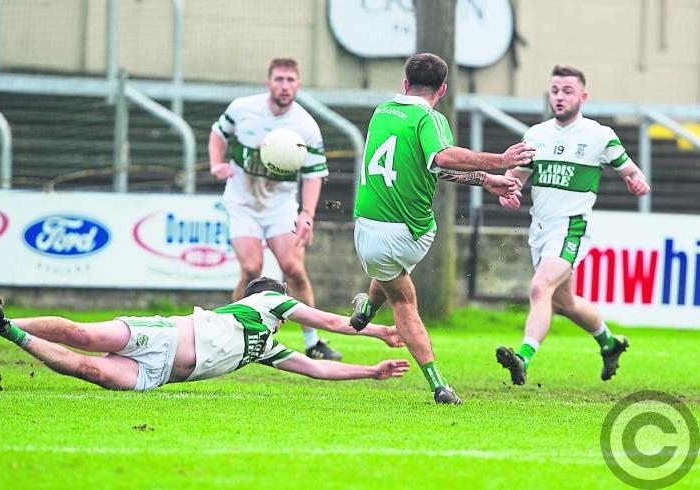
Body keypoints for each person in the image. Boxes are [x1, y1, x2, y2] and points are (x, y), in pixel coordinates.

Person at [346, 53, 534, 405]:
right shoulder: (430, 118)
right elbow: (444, 159)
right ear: (442, 90)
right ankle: (438, 385)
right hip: (411, 233)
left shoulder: (383, 111)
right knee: (404, 298)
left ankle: (365, 312)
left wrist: (485, 180)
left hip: (365, 229)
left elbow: (435, 166)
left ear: (405, 84)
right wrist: (501, 162)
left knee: (388, 272)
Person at [0, 277, 409, 392]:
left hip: (160, 375)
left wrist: (371, 371)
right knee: (81, 335)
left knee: (88, 369)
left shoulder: (266, 346)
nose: (293, 312)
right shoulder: (266, 302)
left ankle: (6, 330)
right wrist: (380, 330)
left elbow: (316, 367)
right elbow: (327, 323)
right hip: (160, 338)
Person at [494, 65, 651, 385]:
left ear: (583, 96)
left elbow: (631, 171)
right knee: (564, 303)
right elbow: (515, 180)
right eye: (554, 91)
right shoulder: (536, 135)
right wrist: (508, 192)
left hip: (571, 228)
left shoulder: (600, 136)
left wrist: (637, 182)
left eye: (567, 91)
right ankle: (610, 344)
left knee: (540, 287)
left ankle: (522, 357)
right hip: (540, 229)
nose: (560, 97)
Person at [208, 57, 342, 361]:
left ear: (299, 84)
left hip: (280, 204)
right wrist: (217, 163)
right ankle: (236, 333)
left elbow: (313, 174)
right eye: (279, 79)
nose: (285, 86)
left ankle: (313, 342)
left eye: (290, 80)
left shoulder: (306, 126)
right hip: (243, 201)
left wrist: (307, 214)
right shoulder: (243, 109)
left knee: (294, 269)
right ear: (268, 82)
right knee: (251, 268)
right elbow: (218, 133)